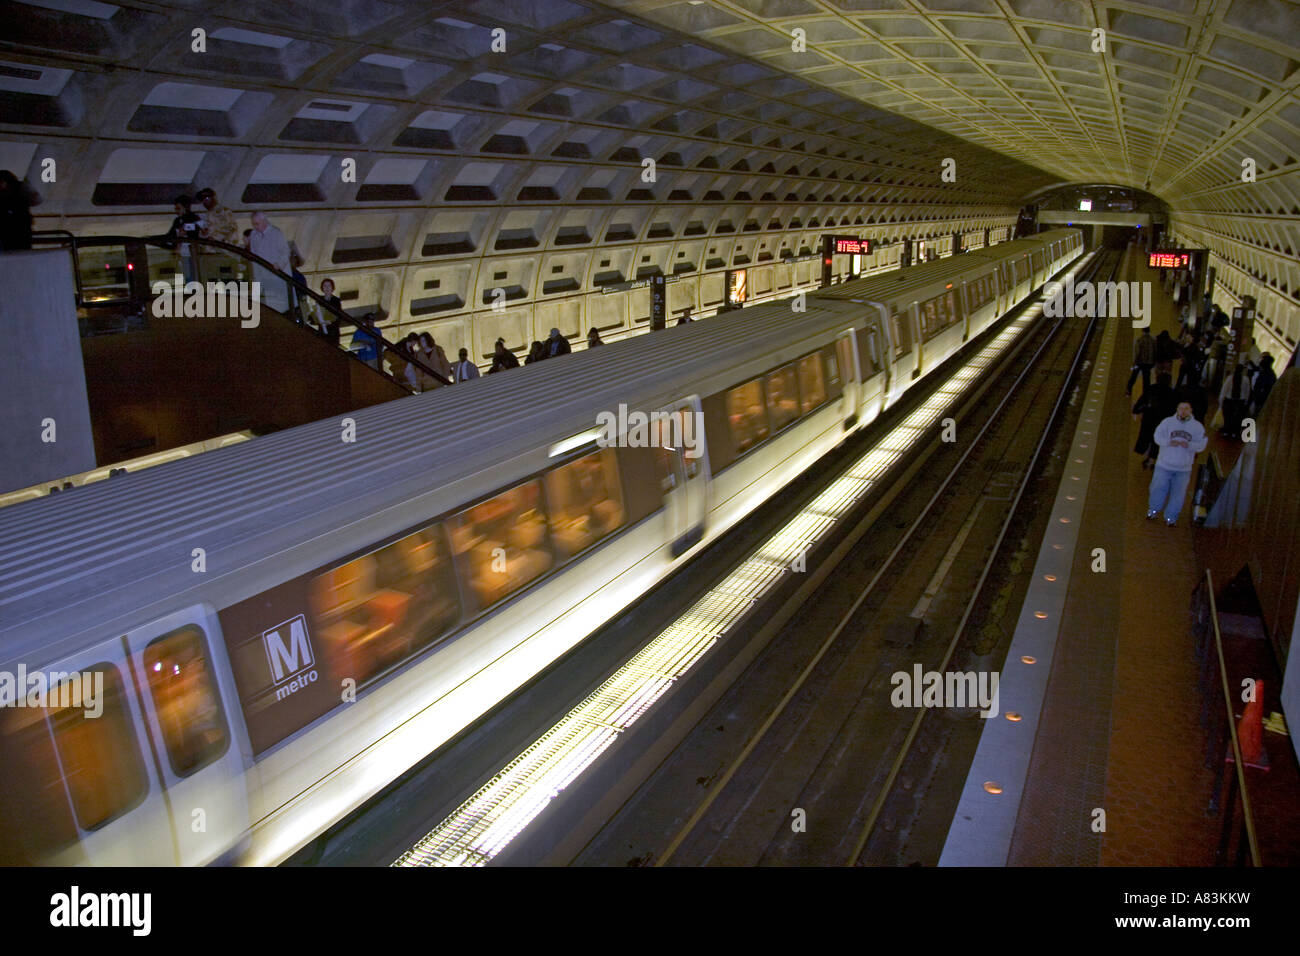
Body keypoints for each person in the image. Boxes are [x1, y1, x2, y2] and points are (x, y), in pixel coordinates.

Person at [1147, 401, 1208, 527]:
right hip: (1164, 465)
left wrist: (1190, 445)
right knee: (1158, 488)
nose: (1183, 411)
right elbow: (1157, 436)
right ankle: (1153, 510)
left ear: (1191, 410)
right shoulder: (1167, 422)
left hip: (1183, 469)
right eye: (1181, 408)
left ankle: (1171, 517)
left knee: (1178, 494)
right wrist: (1168, 442)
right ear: (1177, 409)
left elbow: (1202, 444)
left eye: (1186, 408)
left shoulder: (1197, 427)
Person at [247, 211, 292, 313]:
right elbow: (254, 258)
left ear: (265, 221)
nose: (255, 226)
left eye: (257, 224)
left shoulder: (276, 233)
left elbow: (285, 252)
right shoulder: (254, 235)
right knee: (267, 306)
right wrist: (255, 279)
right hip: (263, 276)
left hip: (277, 276)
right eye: (254, 224)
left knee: (279, 307)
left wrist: (279, 264)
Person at [1132, 372, 1176, 469]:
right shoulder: (1171, 393)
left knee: (1146, 436)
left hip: (1149, 418)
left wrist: (1136, 410)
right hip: (1162, 421)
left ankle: (1147, 455)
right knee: (1157, 441)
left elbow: (1142, 400)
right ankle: (1151, 460)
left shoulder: (1152, 388)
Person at [195, 187, 240, 278]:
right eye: (203, 200)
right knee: (212, 285)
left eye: (207, 199)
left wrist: (215, 238)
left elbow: (231, 229)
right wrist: (203, 234)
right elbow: (206, 231)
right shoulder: (207, 215)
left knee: (228, 284)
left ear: (214, 198)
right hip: (210, 255)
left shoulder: (224, 211)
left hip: (225, 254)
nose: (205, 202)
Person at [163, 194, 201, 283]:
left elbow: (197, 234)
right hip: (182, 253)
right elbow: (170, 234)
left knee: (192, 276)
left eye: (178, 208)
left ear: (185, 207)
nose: (176, 211)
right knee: (187, 275)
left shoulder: (195, 218)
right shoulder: (177, 221)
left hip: (191, 253)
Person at [0, 170, 39, 252]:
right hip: (15, 230)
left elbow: (36, 199)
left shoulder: (19, 190)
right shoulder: (19, 189)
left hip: (18, 230)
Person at [1218, 363, 1252, 439]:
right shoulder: (1246, 379)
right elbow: (1247, 391)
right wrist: (1246, 401)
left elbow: (1224, 390)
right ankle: (1235, 432)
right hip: (1240, 401)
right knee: (1238, 418)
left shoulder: (1230, 378)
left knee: (1228, 417)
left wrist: (1221, 401)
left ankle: (1227, 431)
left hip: (1229, 400)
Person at [1127, 328, 1156, 395]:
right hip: (1149, 363)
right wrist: (1153, 362)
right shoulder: (1153, 340)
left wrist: (1134, 362)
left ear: (1142, 331)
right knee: (1146, 379)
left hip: (1139, 362)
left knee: (1134, 376)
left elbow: (1137, 353)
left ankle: (1129, 389)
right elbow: (1155, 351)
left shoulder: (1140, 340)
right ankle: (1146, 394)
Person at [314, 278, 342, 344]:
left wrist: (330, 322)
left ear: (332, 288)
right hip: (322, 329)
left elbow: (338, 316)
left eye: (329, 286)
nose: (327, 288)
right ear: (322, 288)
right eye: (325, 286)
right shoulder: (319, 299)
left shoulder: (336, 300)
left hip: (333, 331)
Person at [1251, 354, 1277, 418]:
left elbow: (1260, 389)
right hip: (1262, 402)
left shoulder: (1266, 374)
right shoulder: (1270, 374)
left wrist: (1257, 401)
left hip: (1261, 403)